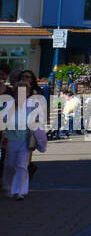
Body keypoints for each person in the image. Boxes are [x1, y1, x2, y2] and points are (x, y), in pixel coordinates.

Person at [3, 70, 45, 199]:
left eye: (24, 91)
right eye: (19, 91)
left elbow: (38, 121)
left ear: (27, 93)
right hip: (11, 140)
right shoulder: (9, 104)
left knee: (22, 165)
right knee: (10, 165)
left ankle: (19, 191)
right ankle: (9, 186)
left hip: (26, 140)